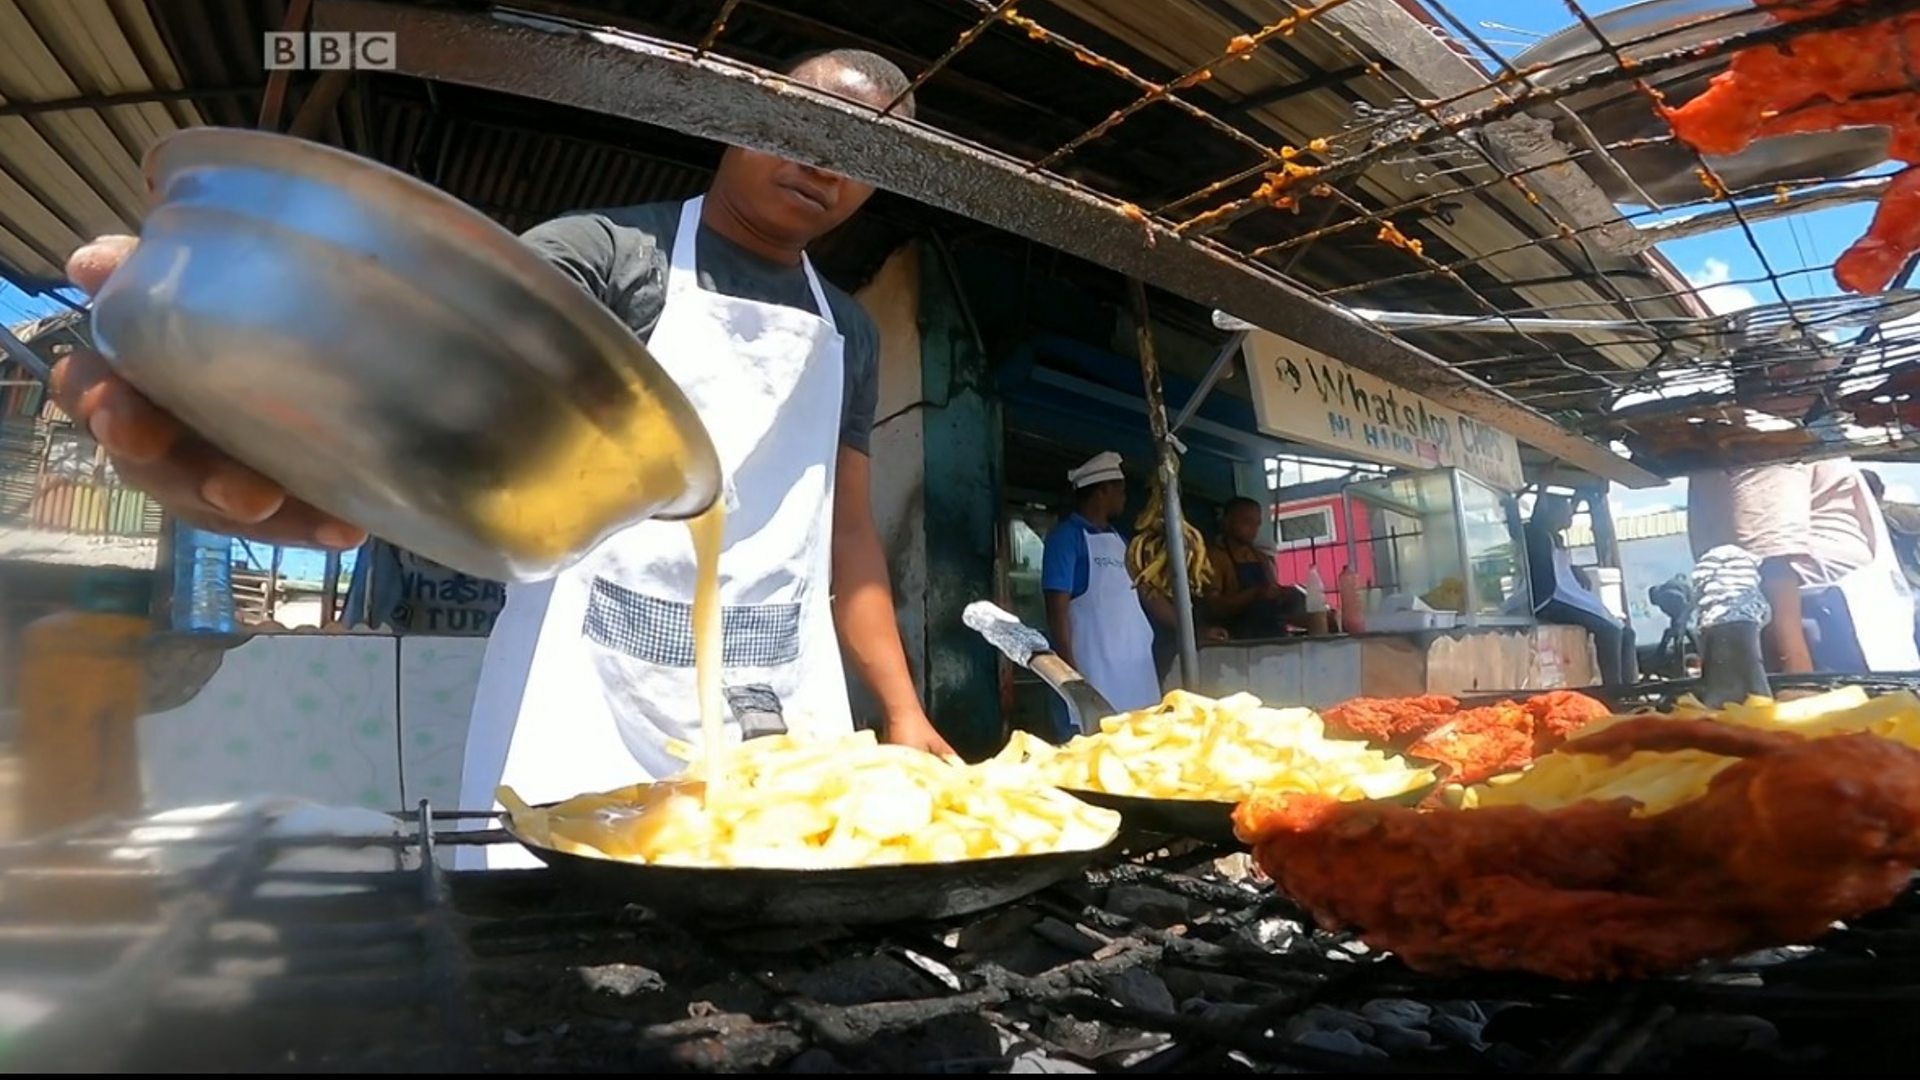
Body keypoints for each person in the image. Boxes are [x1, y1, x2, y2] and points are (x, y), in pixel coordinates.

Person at [47, 49, 953, 865]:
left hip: (776, 684)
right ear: (739, 123)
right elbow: (445, 355)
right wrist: (270, 376)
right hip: (590, 676)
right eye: (802, 128)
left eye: (861, 155)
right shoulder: (610, 254)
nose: (823, 165)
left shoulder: (852, 333)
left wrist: (904, 711)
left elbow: (850, 535)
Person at [1687, 359, 1919, 674]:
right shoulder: (1765, 433)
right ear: (1782, 373)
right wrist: (1798, 677)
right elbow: (1769, 562)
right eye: (1823, 376)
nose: (1830, 389)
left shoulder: (1767, 433)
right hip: (1825, 638)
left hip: (1844, 628)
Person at [1041, 452, 1163, 737]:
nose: (1124, 498)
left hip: (1134, 672)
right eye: (1120, 490)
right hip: (1093, 670)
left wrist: (1191, 629)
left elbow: (1149, 594)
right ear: (1103, 490)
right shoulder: (1066, 539)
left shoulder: (1122, 541)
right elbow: (1057, 608)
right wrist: (1069, 670)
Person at [1525, 493, 1636, 685]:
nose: (1571, 515)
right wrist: (1543, 484)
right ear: (1550, 512)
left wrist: (1574, 568)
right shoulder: (1536, 534)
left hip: (1567, 595)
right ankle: (1614, 690)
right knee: (1609, 632)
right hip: (1551, 599)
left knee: (1626, 632)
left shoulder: (1555, 537)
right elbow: (1536, 519)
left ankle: (1630, 687)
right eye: (1566, 511)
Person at [1206, 496, 1306, 639]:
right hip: (1237, 640)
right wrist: (1253, 594)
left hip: (1273, 635)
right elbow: (1213, 607)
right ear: (1227, 521)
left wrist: (1285, 594)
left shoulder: (1261, 558)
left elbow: (1273, 594)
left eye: (1257, 524)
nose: (1253, 529)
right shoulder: (1215, 558)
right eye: (1247, 522)